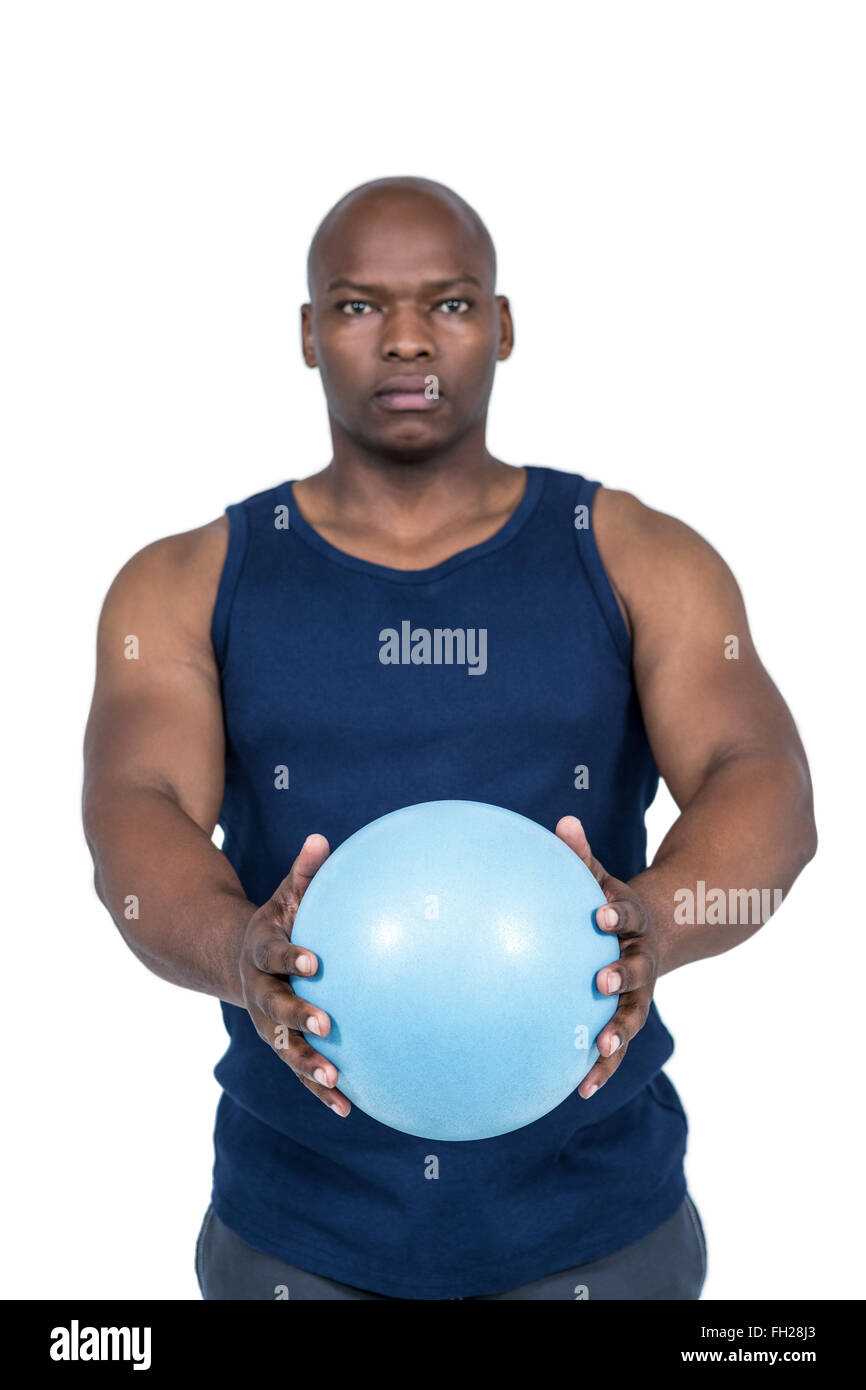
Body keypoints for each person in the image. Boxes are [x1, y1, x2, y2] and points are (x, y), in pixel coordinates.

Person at [82, 176, 816, 1300]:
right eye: (359, 304)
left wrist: (653, 924)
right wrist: (241, 950)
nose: (408, 338)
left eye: (452, 303)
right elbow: (135, 810)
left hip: (595, 1225)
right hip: (299, 1232)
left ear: (505, 325)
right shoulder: (185, 582)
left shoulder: (633, 554)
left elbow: (758, 776)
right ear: (307, 333)